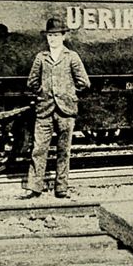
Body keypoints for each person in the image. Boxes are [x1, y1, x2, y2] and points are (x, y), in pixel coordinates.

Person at [23, 18, 91, 199]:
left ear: (63, 37)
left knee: (64, 151)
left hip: (66, 111)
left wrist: (69, 93)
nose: (52, 39)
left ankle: (61, 188)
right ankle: (34, 187)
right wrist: (42, 93)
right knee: (38, 150)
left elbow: (84, 82)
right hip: (44, 110)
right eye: (49, 36)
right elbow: (32, 82)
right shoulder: (41, 58)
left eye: (56, 35)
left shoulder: (72, 57)